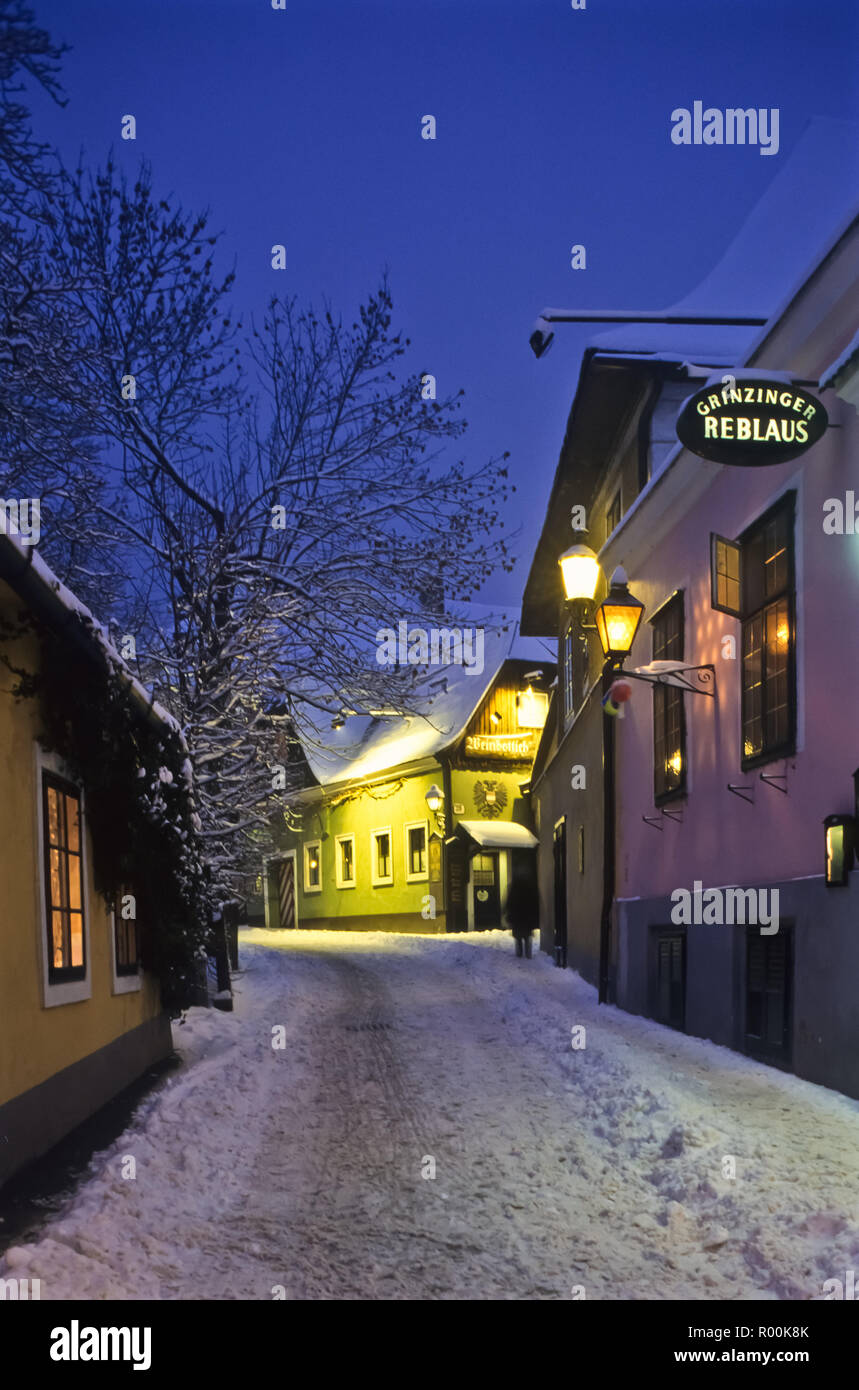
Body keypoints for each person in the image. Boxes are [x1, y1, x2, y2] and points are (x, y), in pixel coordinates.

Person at [504, 877, 536, 958]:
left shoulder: (513, 890)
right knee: (527, 936)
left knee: (518, 937)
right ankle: (528, 954)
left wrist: (507, 914)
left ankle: (519, 953)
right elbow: (534, 903)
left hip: (517, 917)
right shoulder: (529, 889)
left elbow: (509, 903)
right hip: (527, 917)